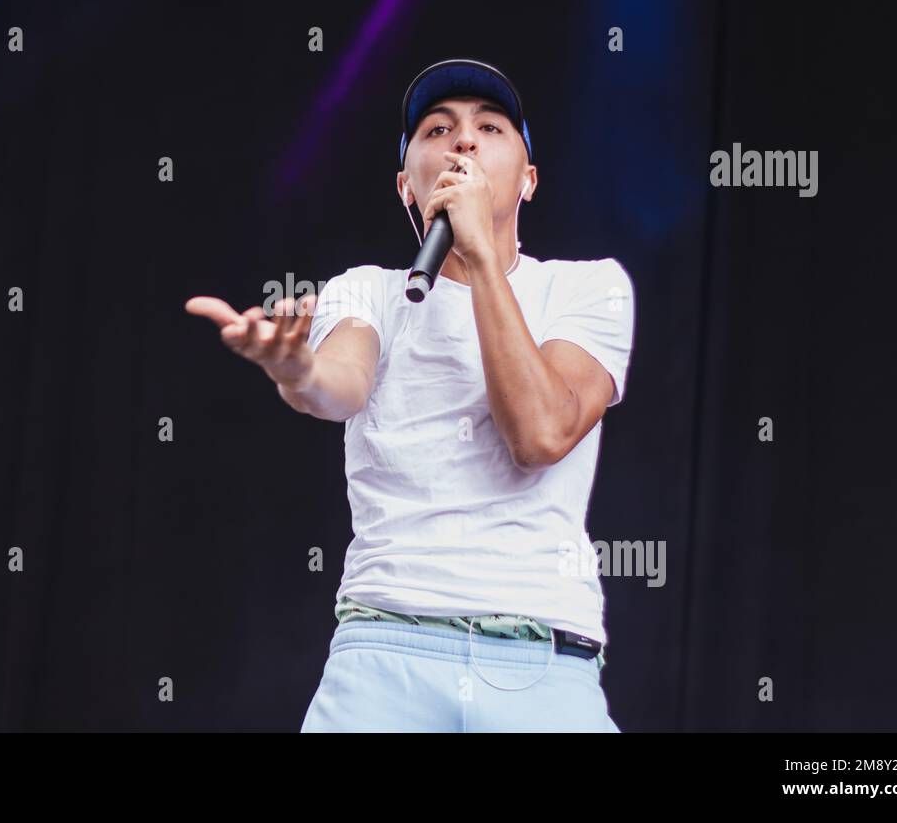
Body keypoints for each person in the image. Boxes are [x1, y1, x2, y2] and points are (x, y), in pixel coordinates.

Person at [185, 59, 634, 732]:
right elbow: (339, 385)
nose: (463, 142)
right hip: (384, 656)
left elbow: (540, 434)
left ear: (530, 180)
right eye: (436, 129)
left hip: (541, 659)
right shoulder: (366, 290)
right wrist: (295, 370)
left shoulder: (587, 289)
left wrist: (481, 255)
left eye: (489, 127)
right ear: (406, 186)